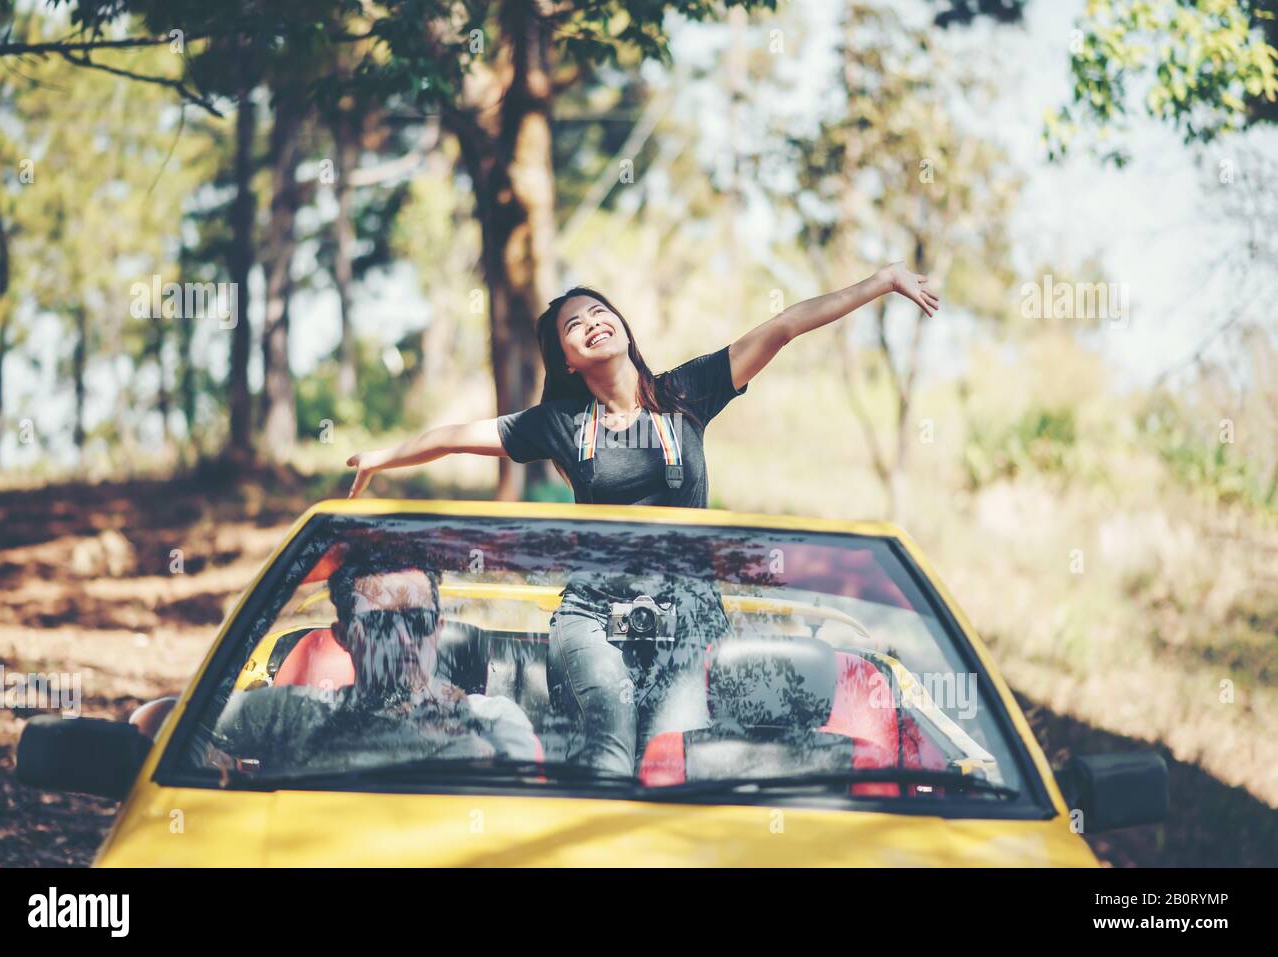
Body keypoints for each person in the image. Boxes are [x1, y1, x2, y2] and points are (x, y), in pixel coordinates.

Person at [344, 265, 939, 773]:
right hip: (592, 615)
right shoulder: (559, 423)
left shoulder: (688, 392)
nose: (592, 323)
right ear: (568, 360)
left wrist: (882, 281)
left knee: (666, 758)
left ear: (624, 327)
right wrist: (379, 457)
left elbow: (784, 327)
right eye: (574, 325)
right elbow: (452, 438)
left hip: (691, 613)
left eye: (600, 312)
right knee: (609, 742)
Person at [211, 552, 541, 775]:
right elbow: (174, 724)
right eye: (378, 624)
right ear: (343, 637)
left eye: (416, 621)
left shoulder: (492, 721)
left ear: (437, 630)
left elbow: (528, 813)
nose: (401, 640)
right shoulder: (287, 714)